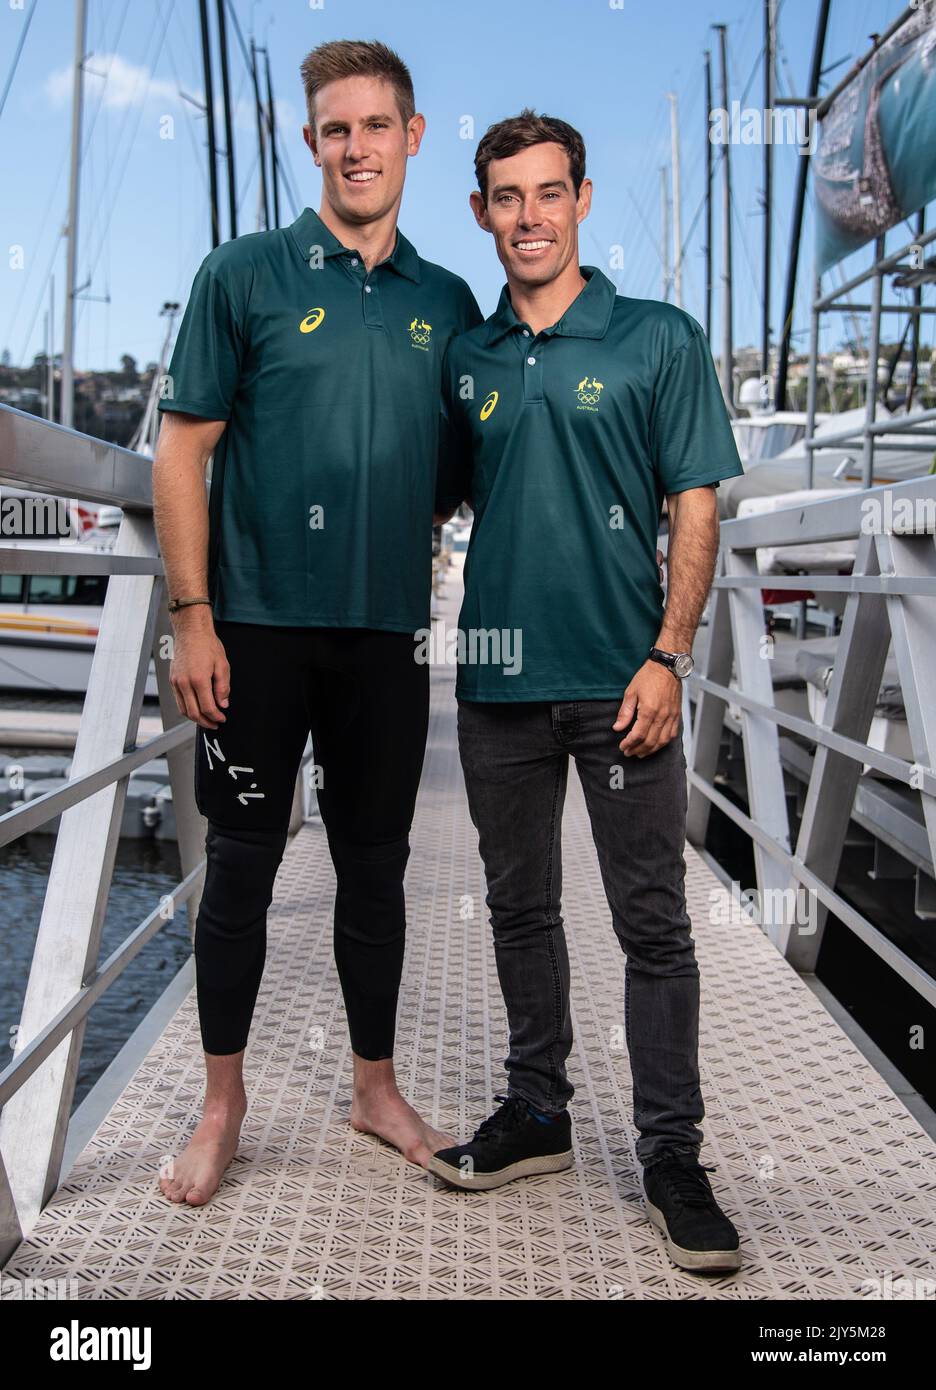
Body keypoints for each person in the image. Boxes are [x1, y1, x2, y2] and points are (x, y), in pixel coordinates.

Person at [152, 39, 481, 1206]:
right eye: (335, 129)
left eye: (376, 126)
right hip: (255, 629)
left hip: (385, 637)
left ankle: (373, 1086)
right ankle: (222, 1101)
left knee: (375, 870)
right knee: (238, 867)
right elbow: (181, 451)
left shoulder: (447, 303)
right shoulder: (241, 275)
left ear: (412, 136)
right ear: (311, 143)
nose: (356, 147)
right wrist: (193, 618)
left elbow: (456, 475)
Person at [429, 109, 745, 1275]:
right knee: (520, 913)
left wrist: (668, 653)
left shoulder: (657, 338)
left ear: (582, 198)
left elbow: (696, 506)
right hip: (499, 682)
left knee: (652, 927)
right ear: (481, 212)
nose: (528, 216)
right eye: (505, 197)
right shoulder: (467, 357)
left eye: (547, 192)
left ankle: (673, 1157)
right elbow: (439, 497)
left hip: (625, 684)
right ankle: (540, 1113)